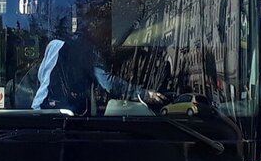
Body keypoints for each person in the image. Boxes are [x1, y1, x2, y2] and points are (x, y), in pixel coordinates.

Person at [33, 19, 164, 114]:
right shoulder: (87, 51)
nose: (107, 37)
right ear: (96, 31)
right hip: (62, 116)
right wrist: (144, 94)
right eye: (106, 32)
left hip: (39, 113)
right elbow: (108, 83)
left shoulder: (56, 44)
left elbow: (41, 77)